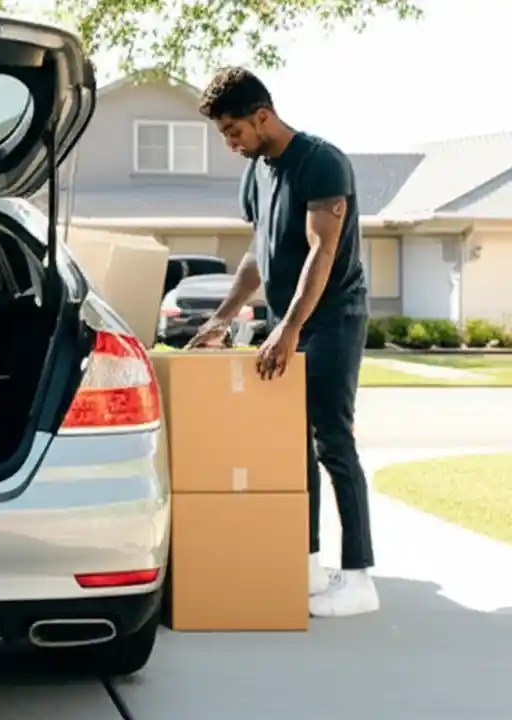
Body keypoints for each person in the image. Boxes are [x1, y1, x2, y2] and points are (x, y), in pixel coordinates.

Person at [188, 67, 379, 618]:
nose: (230, 143)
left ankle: (359, 577)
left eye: (233, 131)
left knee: (331, 440)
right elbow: (259, 253)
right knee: (289, 441)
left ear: (262, 116)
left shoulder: (321, 161)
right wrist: (224, 317)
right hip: (286, 319)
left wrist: (290, 327)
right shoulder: (258, 172)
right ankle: (308, 562)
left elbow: (322, 250)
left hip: (333, 316)